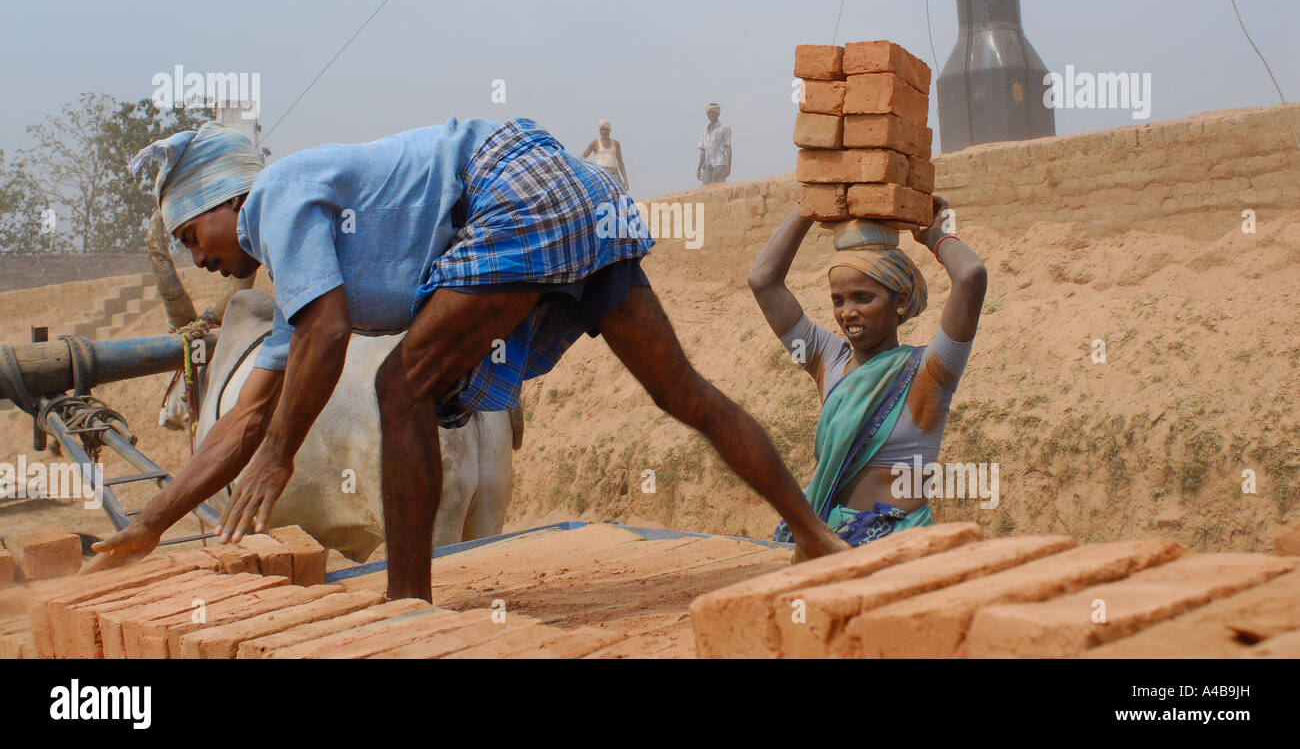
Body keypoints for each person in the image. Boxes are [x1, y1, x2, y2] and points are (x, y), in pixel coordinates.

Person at [86, 118, 846, 598]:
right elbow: (248, 415)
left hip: (511, 186)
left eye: (192, 238)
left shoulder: (274, 197)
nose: (201, 261)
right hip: (567, 189)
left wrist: (282, 456)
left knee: (398, 385)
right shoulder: (299, 274)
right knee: (684, 392)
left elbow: (329, 338)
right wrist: (151, 523)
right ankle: (815, 536)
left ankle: (408, 603)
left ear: (224, 201)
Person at [747, 198, 987, 546]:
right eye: (838, 300)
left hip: (900, 543)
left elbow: (971, 275)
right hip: (832, 539)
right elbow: (763, 281)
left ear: (900, 300)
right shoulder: (827, 361)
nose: (848, 313)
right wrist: (810, 206)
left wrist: (935, 236)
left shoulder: (931, 372)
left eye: (863, 297)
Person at [581, 119, 628, 190]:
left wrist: (625, 180)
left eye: (605, 129)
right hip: (601, 174)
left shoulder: (616, 143)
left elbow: (620, 162)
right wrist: (590, 170)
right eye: (601, 130)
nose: (603, 131)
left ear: (609, 130)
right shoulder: (595, 143)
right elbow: (583, 158)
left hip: (614, 173)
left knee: (621, 193)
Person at [696, 103, 731, 185]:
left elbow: (728, 147)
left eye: (714, 112)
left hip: (720, 164)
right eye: (709, 113)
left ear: (718, 114)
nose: (711, 115)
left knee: (718, 188)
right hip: (708, 165)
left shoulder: (724, 128)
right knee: (705, 190)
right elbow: (703, 151)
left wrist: (728, 167)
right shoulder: (705, 130)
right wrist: (698, 169)